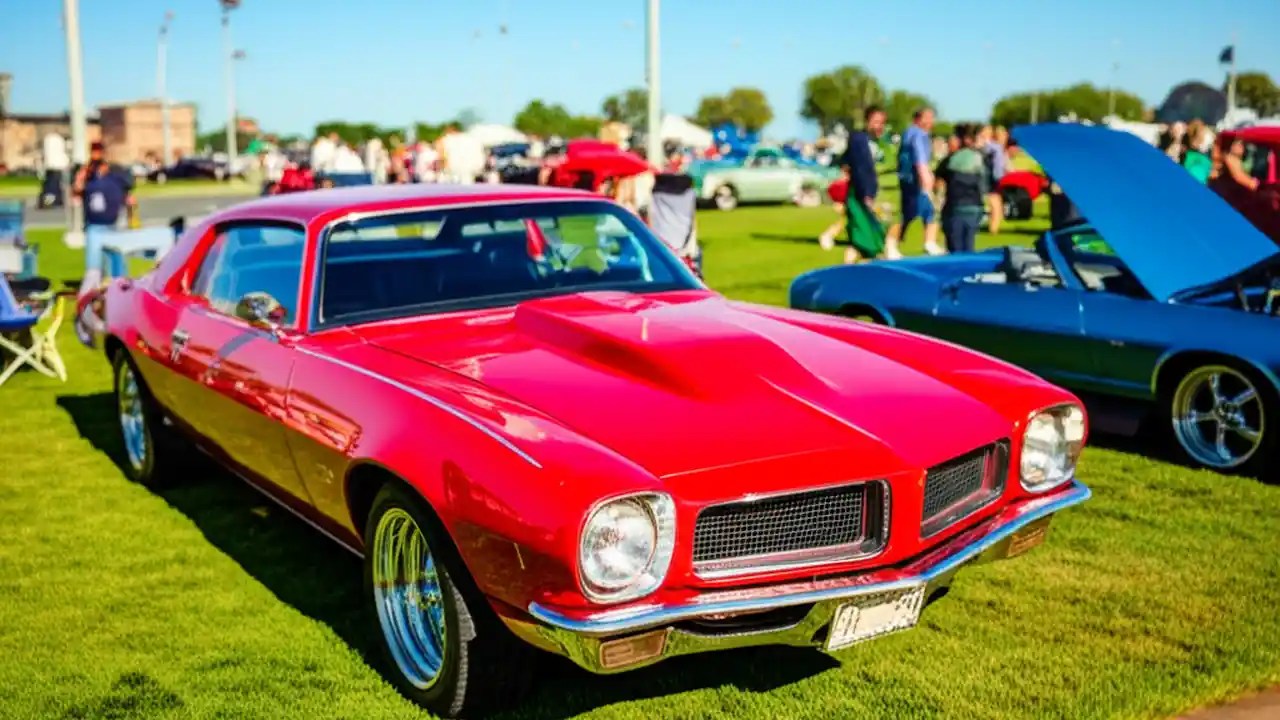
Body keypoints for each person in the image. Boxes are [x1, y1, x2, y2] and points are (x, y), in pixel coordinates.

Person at [825, 106, 887, 264]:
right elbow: (860, 169)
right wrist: (866, 193)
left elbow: (846, 161)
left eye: (882, 123)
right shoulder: (858, 139)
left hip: (866, 191)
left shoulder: (873, 142)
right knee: (864, 235)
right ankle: (852, 267)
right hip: (859, 193)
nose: (879, 126)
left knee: (867, 236)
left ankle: (857, 267)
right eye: (876, 122)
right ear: (867, 121)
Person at [73, 143, 135, 290]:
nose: (96, 155)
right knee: (95, 262)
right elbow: (77, 193)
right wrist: (80, 179)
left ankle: (120, 285)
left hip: (112, 222)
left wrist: (128, 204)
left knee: (116, 257)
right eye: (94, 152)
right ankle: (95, 287)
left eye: (98, 152)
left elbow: (127, 190)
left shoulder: (115, 173)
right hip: (94, 223)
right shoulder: (87, 173)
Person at [884, 107, 942, 259]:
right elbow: (919, 157)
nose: (930, 122)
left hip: (909, 179)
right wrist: (926, 176)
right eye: (927, 118)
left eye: (932, 118)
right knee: (920, 212)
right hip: (914, 180)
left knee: (919, 212)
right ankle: (894, 244)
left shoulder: (912, 133)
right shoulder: (918, 134)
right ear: (917, 119)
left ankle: (925, 242)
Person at [934, 123, 989, 254]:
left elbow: (937, 185)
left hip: (955, 207)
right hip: (975, 207)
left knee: (955, 249)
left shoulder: (949, 160)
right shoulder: (981, 159)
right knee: (969, 246)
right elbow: (985, 185)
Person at [979, 125, 1009, 233]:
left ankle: (993, 227)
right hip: (994, 176)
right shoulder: (996, 146)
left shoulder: (992, 146)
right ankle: (993, 226)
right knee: (996, 202)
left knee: (994, 202)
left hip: (992, 177)